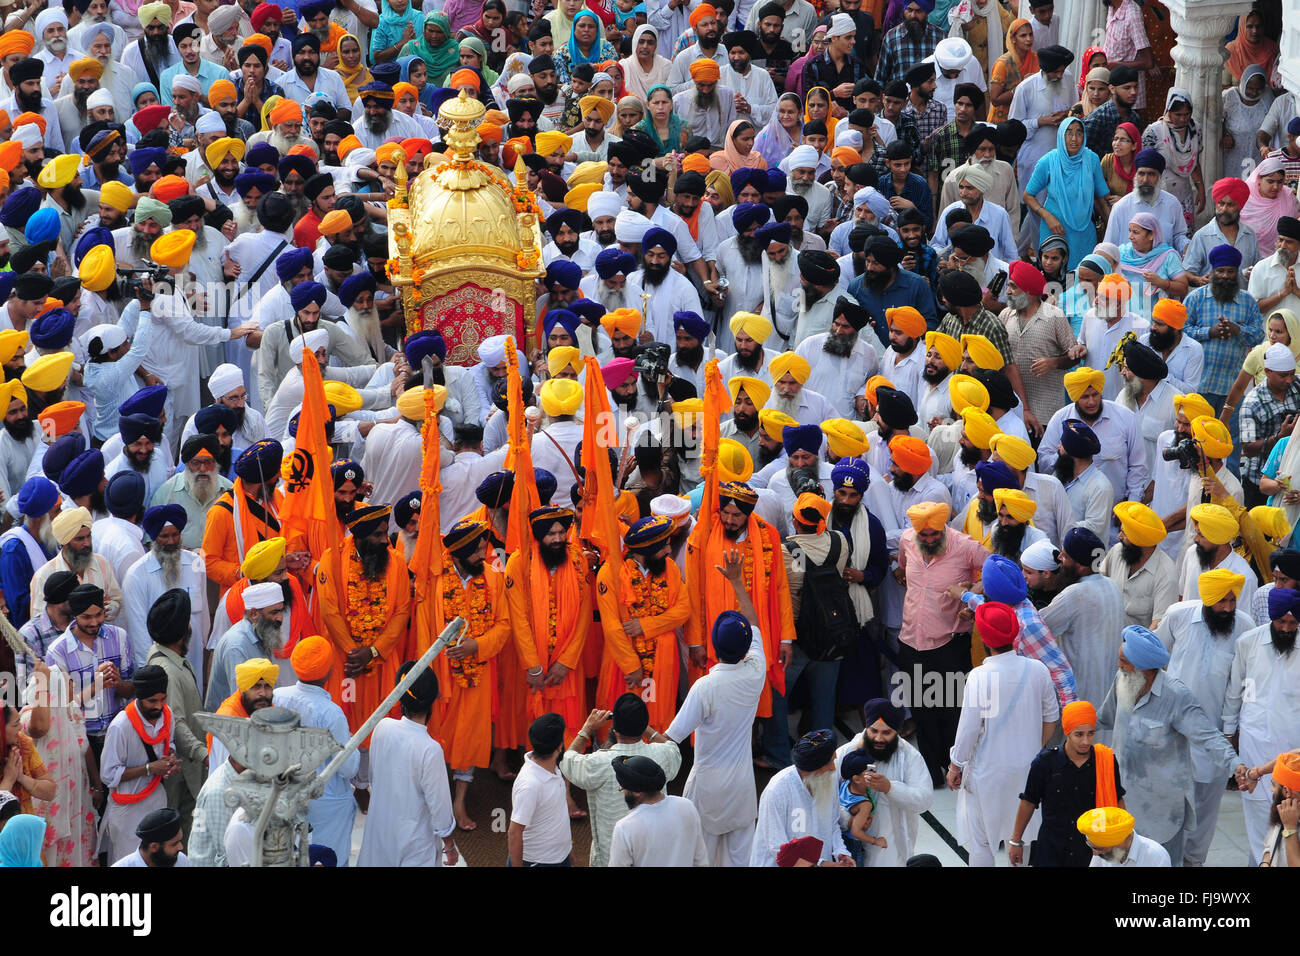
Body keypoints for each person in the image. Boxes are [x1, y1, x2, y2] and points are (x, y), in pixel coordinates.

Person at [1098, 624, 1248, 866]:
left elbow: (1208, 736)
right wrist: (1076, 721)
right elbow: (1105, 717)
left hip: (1162, 811)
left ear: (1143, 668)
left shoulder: (1176, 696)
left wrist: (1236, 766)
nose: (1119, 666)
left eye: (1124, 661)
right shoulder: (1122, 680)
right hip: (1123, 801)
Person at [667, 550, 766, 867]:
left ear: (715, 647)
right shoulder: (755, 672)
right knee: (741, 860)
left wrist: (633, 733)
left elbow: (672, 737)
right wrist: (738, 583)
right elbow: (753, 624)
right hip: (742, 790)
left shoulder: (705, 687)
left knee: (700, 860)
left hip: (707, 791)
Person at [1157, 569, 1257, 867]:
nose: (1228, 608)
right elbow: (1153, 657)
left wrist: (1230, 731)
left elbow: (1241, 684)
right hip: (1172, 729)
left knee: (1205, 807)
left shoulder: (1244, 626)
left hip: (1214, 733)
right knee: (1169, 801)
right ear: (1206, 598)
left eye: (1232, 600)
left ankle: (1194, 863)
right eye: (1221, 601)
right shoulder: (1178, 615)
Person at [948, 601, 1058, 866]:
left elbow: (969, 730)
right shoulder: (1038, 670)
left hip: (988, 773)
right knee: (1019, 842)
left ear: (984, 638)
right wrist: (1033, 748)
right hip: (1029, 772)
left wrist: (955, 765)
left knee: (982, 843)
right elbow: (1052, 718)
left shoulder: (979, 676)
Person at [894, 500, 985, 784]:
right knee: (921, 709)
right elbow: (903, 566)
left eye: (936, 535)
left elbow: (996, 569)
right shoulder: (907, 540)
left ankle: (954, 766)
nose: (931, 539)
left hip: (949, 643)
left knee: (951, 708)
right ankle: (931, 770)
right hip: (911, 639)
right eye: (925, 536)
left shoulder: (965, 546)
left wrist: (972, 593)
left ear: (944, 528)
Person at [1224, 587, 1300, 865]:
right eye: (1281, 622)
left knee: (1290, 822)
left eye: (1293, 624)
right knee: (1259, 825)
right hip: (1255, 747)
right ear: (1272, 618)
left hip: (1293, 754)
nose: (1286, 628)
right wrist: (1229, 734)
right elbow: (1235, 692)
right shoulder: (1248, 643)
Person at [358, 660, 458, 867]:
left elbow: (374, 778)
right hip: (414, 844)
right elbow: (439, 808)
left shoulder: (382, 727)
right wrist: (449, 845)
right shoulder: (430, 749)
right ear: (432, 700)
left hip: (380, 831)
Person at [1010, 701, 1124, 867]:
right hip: (1051, 852)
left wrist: (1124, 839)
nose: (1086, 741)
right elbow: (1028, 801)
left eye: (1091, 733)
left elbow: (1118, 799)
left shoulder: (1106, 762)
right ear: (1067, 731)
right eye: (1079, 734)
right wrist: (1016, 841)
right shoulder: (1045, 763)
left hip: (1091, 853)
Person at [142, 589, 205, 843]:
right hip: (183, 775)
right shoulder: (166, 668)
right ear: (182, 631)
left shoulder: (171, 657)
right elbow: (175, 722)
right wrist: (203, 753)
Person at [98, 663, 177, 863]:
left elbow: (169, 744)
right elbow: (108, 774)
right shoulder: (120, 726)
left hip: (157, 800)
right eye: (152, 701)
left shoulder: (167, 715)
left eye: (162, 699)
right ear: (139, 698)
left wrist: (170, 760)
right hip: (127, 811)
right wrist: (150, 768)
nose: (158, 706)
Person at [1040, 527, 1125, 708]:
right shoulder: (1112, 586)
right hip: (1109, 698)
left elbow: (1036, 630)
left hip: (1079, 699)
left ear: (1082, 566)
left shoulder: (1074, 594)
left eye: (1065, 556)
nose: (1060, 560)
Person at [1022, 117, 1108, 271]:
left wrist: (1110, 229)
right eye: (1068, 133)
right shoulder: (1048, 161)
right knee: (1054, 281)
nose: (1074, 138)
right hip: (1055, 230)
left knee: (1083, 279)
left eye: (1079, 133)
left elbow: (1101, 199)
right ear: (1061, 135)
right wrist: (1047, 216)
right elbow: (1028, 195)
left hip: (1084, 233)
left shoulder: (1092, 160)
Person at [607, 753, 707, 867]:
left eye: (622, 788)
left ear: (636, 792)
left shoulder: (625, 828)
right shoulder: (686, 806)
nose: (623, 792)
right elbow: (700, 858)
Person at [508, 712, 573, 867]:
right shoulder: (530, 785)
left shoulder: (553, 768)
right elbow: (514, 832)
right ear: (559, 747)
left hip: (561, 857)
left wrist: (570, 857)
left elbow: (560, 819)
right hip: (538, 862)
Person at [1141, 89, 1204, 231]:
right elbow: (1144, 167)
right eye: (1178, 114)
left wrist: (1201, 189)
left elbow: (1195, 163)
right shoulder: (1154, 132)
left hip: (1184, 195)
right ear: (1168, 110)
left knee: (1183, 235)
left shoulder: (1195, 130)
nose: (1182, 119)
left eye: (1187, 114)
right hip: (1159, 195)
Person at [1079, 806, 1170, 867]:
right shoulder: (1101, 852)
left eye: (1099, 849)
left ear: (1119, 841)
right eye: (1091, 846)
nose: (1095, 854)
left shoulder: (1156, 856)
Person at [111, 806, 189, 868]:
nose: (181, 847)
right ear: (154, 846)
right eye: (174, 844)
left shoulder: (181, 860)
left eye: (180, 841)